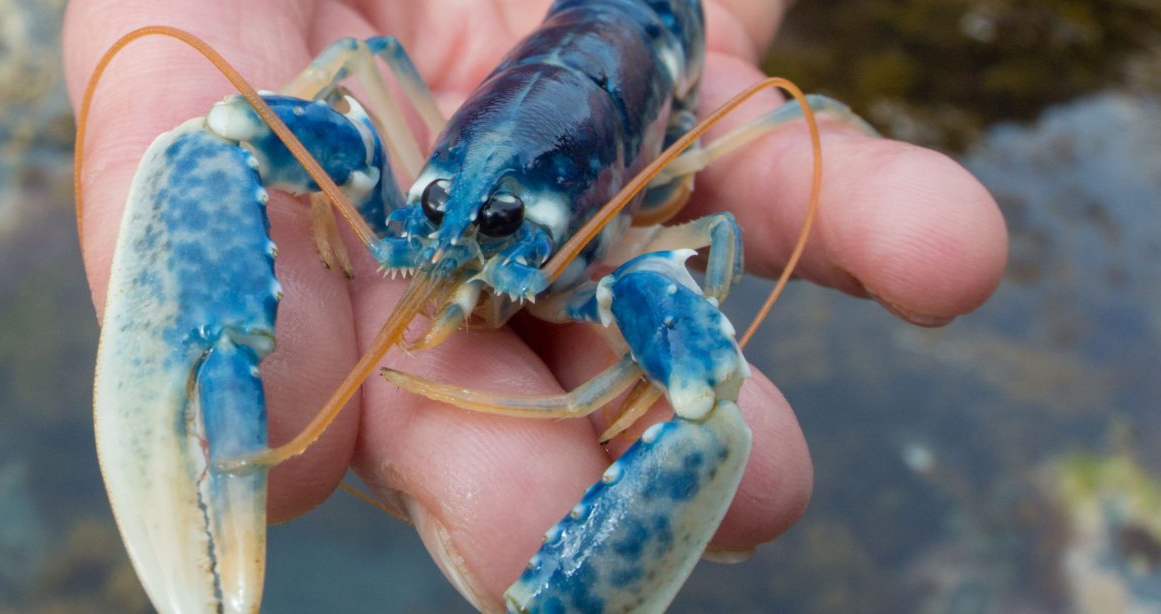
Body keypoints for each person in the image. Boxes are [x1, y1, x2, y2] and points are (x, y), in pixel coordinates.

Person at [62, 0, 1008, 608]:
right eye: (427, 204)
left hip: (658, 33)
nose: (437, 237)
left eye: (504, 225)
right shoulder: (427, 192)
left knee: (703, 399)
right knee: (227, 132)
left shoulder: (630, 240)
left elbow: (702, 258)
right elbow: (267, 111)